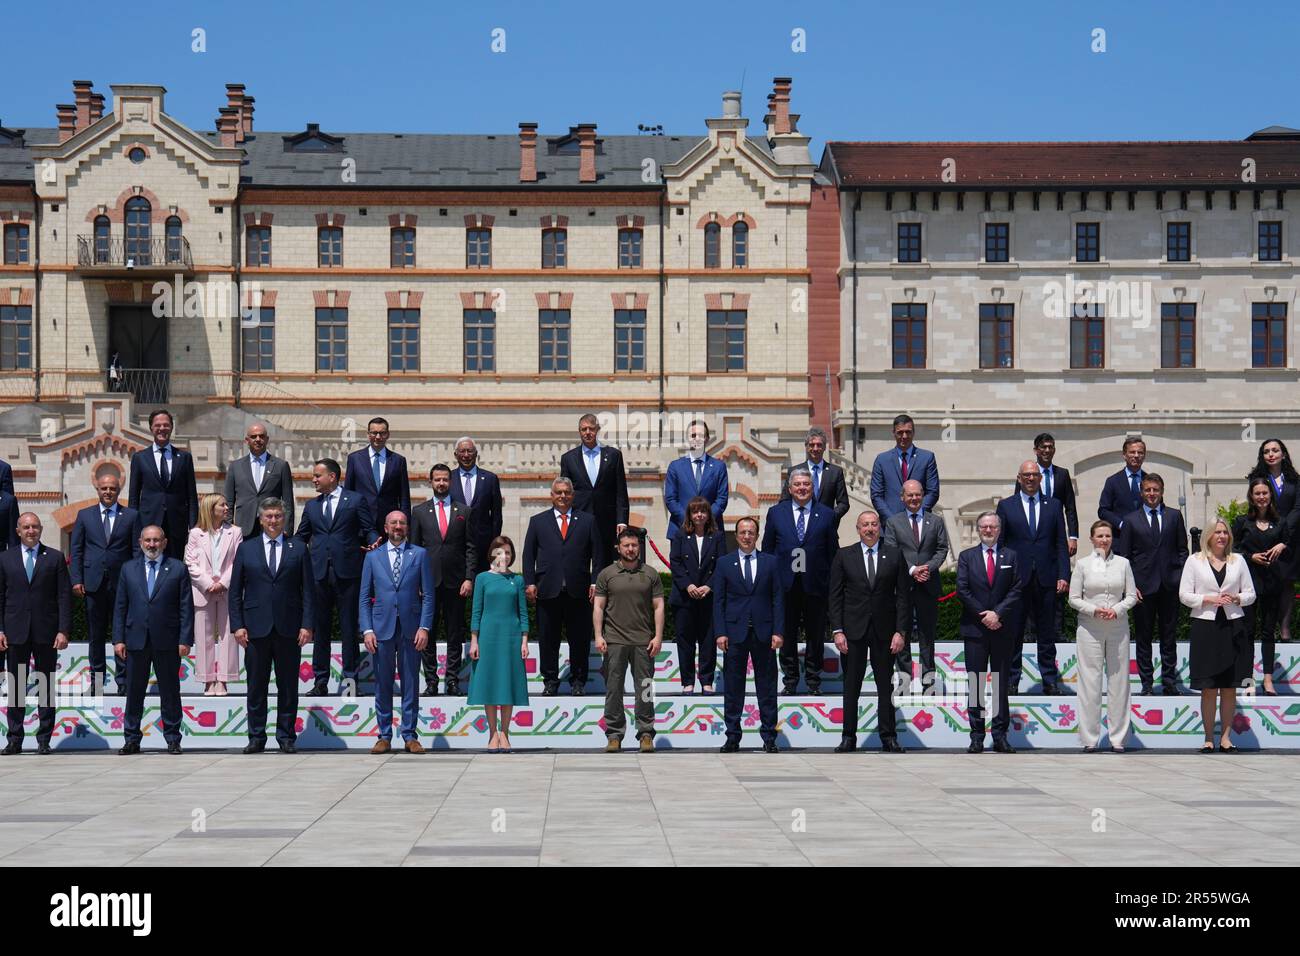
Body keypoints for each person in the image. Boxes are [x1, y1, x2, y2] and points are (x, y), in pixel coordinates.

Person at [229, 498, 314, 754]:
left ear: (285, 518)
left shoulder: (298, 548)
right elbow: (235, 592)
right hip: (255, 629)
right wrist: (237, 625)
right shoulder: (246, 549)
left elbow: (309, 591)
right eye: (269, 516)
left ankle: (286, 736)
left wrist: (307, 625)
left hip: (289, 628)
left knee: (288, 686)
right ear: (260, 519)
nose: (274, 520)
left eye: (278, 515)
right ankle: (256, 737)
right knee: (256, 686)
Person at [829, 510, 911, 753]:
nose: (870, 529)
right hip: (852, 631)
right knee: (851, 687)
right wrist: (837, 630)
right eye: (865, 525)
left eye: (874, 524)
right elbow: (835, 596)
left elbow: (903, 598)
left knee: (885, 686)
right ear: (858, 528)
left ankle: (888, 737)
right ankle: (848, 737)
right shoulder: (845, 555)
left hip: (885, 632)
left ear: (880, 527)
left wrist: (901, 632)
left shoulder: (895, 555)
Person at [295, 458, 377, 697]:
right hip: (319, 573)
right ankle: (320, 681)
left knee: (349, 628)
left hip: (348, 573)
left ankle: (350, 681)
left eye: (317, 476)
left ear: (332, 477)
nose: (313, 480)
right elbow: (302, 536)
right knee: (320, 630)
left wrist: (375, 541)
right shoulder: (311, 506)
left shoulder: (355, 500)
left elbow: (368, 527)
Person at [113, 525, 192, 754]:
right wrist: (118, 638)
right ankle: (131, 739)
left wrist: (185, 639)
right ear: (140, 542)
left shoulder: (177, 569)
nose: (152, 545)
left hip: (167, 641)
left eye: (156, 540)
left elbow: (186, 607)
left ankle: (173, 739)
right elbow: (120, 607)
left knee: (169, 692)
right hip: (135, 641)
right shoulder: (128, 569)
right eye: (148, 540)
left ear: (164, 543)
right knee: (134, 692)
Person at [359, 510, 434, 755]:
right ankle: (383, 735)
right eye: (394, 523)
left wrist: (425, 626)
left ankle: (410, 735)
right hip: (381, 628)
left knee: (411, 682)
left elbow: (429, 595)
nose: (398, 526)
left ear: (407, 527)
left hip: (412, 628)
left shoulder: (420, 554)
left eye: (402, 523)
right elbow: (364, 598)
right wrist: (367, 629)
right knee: (383, 683)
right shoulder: (373, 557)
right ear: (386, 526)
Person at [1180, 518, 1255, 753]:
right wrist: (1207, 599)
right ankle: (1208, 738)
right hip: (1206, 627)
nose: (1222, 536)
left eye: (1225, 532)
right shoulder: (1195, 561)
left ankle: (1226, 737)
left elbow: (1251, 594)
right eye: (1217, 532)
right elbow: (1184, 595)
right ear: (1209, 536)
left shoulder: (1239, 561)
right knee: (1209, 687)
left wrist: (1237, 599)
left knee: (1230, 686)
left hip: (1233, 626)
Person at [0, 514, 71, 755]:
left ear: (41, 530)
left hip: (46, 632)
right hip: (15, 631)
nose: (31, 530)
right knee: (17, 686)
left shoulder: (54, 557)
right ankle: (15, 739)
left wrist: (63, 630)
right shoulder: (5, 558)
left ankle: (44, 740)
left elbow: (63, 596)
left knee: (46, 686)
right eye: (26, 527)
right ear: (18, 531)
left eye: (35, 527)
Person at [762, 467, 838, 694]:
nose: (802, 488)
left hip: (816, 584)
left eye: (806, 484)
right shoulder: (776, 513)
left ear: (812, 488)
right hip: (785, 585)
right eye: (798, 484)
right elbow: (768, 550)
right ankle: (791, 682)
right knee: (787, 634)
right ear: (790, 488)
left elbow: (832, 552)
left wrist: (832, 582)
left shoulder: (826, 514)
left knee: (816, 635)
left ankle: (814, 681)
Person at [997, 461, 1070, 694]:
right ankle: (1011, 681)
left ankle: (1049, 680)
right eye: (1026, 475)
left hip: (1047, 579)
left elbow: (1060, 543)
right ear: (1019, 478)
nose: (1030, 479)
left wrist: (1063, 574)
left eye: (1034, 475)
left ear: (1040, 478)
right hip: (1016, 580)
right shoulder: (1006, 506)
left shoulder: (1054, 505)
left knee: (1046, 633)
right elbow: (1000, 545)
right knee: (1014, 632)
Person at [523, 477, 600, 696]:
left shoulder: (587, 520)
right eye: (558, 492)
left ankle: (578, 681)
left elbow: (598, 554)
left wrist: (595, 582)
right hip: (547, 590)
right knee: (548, 639)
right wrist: (530, 582)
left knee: (580, 639)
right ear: (552, 495)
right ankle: (550, 681)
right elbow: (528, 555)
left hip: (579, 590)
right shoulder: (538, 521)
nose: (563, 496)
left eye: (567, 492)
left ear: (572, 495)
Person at [713, 516, 784, 753]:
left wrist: (778, 631)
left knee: (767, 687)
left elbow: (778, 599)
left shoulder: (771, 562)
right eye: (742, 532)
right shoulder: (724, 563)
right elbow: (719, 601)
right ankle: (732, 736)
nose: (746, 536)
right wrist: (720, 632)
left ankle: (769, 737)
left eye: (751, 532)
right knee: (733, 687)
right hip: (734, 634)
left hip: (764, 633)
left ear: (757, 535)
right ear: (736, 535)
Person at [1115, 474, 1190, 695]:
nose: (1152, 494)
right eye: (1147, 490)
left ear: (1162, 490)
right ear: (1141, 492)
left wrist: (1179, 577)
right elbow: (1125, 557)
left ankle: (1169, 682)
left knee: (1169, 637)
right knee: (1144, 638)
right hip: (1142, 589)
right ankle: (1146, 684)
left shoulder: (1174, 516)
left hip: (1169, 586)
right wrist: (1130, 587)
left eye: (1155, 490)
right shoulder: (1130, 520)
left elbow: (1182, 550)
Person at [1069, 520, 1138, 752]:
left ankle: (1118, 738)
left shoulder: (1123, 563)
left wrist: (1117, 609)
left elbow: (1131, 595)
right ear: (1092, 539)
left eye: (1108, 536)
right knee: (1090, 682)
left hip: (1118, 626)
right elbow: (1073, 598)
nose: (1104, 540)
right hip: (1089, 627)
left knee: (1119, 682)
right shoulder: (1082, 565)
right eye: (1100, 536)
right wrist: (1094, 609)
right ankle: (1090, 739)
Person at [595, 529, 665, 753]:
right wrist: (598, 635)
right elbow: (598, 606)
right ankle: (614, 735)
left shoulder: (651, 574)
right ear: (618, 547)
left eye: (634, 545)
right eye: (626, 545)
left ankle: (646, 733)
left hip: (643, 642)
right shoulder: (607, 574)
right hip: (614, 641)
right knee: (613, 689)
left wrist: (658, 636)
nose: (631, 549)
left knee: (645, 688)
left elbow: (659, 607)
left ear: (639, 547)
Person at [410, 464, 478, 696]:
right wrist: (416, 581)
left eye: (445, 479)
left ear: (451, 482)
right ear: (431, 482)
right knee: (426, 632)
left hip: (456, 583)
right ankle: (430, 681)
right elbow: (414, 549)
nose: (441, 483)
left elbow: (471, 548)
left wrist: (469, 578)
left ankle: (452, 680)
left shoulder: (464, 511)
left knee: (454, 633)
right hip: (426, 584)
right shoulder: (419, 512)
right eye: (437, 479)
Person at [956, 513, 1022, 753]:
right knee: (976, 684)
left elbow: (1017, 588)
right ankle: (976, 736)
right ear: (978, 529)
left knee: (1001, 685)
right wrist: (984, 615)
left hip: (1002, 629)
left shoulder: (1011, 556)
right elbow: (962, 589)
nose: (988, 530)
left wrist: (998, 614)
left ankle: (1000, 735)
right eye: (984, 526)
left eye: (992, 526)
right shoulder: (967, 557)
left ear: (999, 529)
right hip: (975, 629)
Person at [69, 471, 140, 694]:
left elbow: (137, 551)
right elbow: (77, 550)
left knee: (122, 635)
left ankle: (123, 682)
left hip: (122, 585)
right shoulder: (84, 515)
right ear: (97, 490)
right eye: (104, 488)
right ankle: (97, 683)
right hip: (93, 584)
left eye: (112, 488)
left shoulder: (131, 516)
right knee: (96, 636)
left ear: (118, 491)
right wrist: (77, 578)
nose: (108, 492)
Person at [883, 479, 950, 691]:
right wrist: (912, 570)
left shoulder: (936, 521)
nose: (914, 498)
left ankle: (928, 681)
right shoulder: (893, 522)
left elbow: (942, 549)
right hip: (902, 585)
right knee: (901, 633)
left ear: (923, 496)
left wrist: (927, 569)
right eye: (909, 495)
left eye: (917, 494)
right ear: (902, 498)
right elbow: (892, 550)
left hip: (928, 584)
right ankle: (903, 681)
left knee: (927, 635)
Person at [468, 536, 530, 752]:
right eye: (500, 552)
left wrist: (524, 640)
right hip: (487, 636)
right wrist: (474, 640)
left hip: (511, 637)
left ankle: (505, 732)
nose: (504, 556)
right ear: (492, 554)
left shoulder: (518, 580)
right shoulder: (482, 578)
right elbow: (476, 611)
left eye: (508, 553)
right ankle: (492, 733)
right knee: (490, 683)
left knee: (507, 682)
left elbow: (523, 612)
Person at [1233, 477, 1289, 696]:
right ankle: (1248, 680)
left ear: (1270, 495)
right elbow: (1233, 550)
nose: (1261, 497)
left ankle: (1267, 681)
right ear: (1251, 496)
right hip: (1248, 584)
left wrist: (1283, 545)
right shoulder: (1241, 522)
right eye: (1257, 493)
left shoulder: (1281, 522)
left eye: (1265, 493)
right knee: (1247, 632)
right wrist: (1250, 556)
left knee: (1268, 632)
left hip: (1272, 583)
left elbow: (1291, 546)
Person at [669, 496, 727, 694]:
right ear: (690, 515)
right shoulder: (679, 535)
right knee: (685, 641)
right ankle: (687, 682)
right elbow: (675, 563)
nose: (699, 515)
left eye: (703, 511)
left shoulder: (717, 537)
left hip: (709, 598)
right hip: (684, 598)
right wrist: (688, 585)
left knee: (708, 642)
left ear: (708, 515)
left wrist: (709, 586)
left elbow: (722, 564)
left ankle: (707, 681)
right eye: (695, 511)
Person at [184, 494, 241, 696]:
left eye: (226, 504)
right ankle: (207, 680)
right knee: (204, 637)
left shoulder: (235, 532)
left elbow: (238, 561)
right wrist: (208, 583)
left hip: (227, 590)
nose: (227, 508)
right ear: (210, 508)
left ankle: (224, 680)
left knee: (228, 636)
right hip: (203, 591)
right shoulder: (195, 534)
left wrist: (223, 583)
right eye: (222, 505)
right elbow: (190, 562)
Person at [1246, 438, 1299, 653]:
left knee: (1286, 582)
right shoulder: (1257, 479)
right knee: (1263, 583)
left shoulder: (1295, 480)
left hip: (1289, 540)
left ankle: (1285, 629)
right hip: (1263, 538)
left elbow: (1298, 508)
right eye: (1267, 451)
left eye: (1275, 450)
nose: (1271, 454)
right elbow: (1254, 503)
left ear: (1283, 454)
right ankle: (1263, 629)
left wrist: (1283, 531)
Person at [559, 413, 629, 572]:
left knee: (605, 566)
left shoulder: (613, 455)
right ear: (579, 431)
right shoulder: (568, 459)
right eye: (584, 429)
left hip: (606, 521)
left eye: (591, 428)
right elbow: (563, 493)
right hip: (578, 520)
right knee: (578, 564)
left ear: (598, 429)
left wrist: (622, 520)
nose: (587, 432)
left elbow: (620, 491)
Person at [128, 409, 198, 560]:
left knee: (174, 567)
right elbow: (133, 496)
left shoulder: (184, 458)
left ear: (172, 427)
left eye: (166, 425)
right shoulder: (140, 458)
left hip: (176, 525)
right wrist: (133, 527)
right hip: (148, 524)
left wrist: (193, 528)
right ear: (151, 428)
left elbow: (192, 496)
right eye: (158, 425)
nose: (162, 429)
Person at [224, 422, 296, 539]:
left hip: (272, 527)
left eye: (261, 436)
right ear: (247, 440)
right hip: (243, 529)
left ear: (267, 440)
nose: (258, 439)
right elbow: (229, 501)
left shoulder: (281, 465)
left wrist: (287, 529)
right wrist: (228, 529)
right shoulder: (235, 467)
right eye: (253, 437)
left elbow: (288, 503)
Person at [344, 417, 412, 531]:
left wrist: (405, 523)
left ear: (388, 434)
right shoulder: (354, 459)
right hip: (361, 523)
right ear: (368, 434)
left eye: (382, 433)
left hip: (390, 526)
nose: (378, 437)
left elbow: (404, 496)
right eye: (374, 433)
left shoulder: (398, 460)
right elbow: (348, 493)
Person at [449, 436, 504, 576]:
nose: (466, 455)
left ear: (476, 453)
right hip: (456, 547)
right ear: (456, 454)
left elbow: (496, 516)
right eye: (462, 451)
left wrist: (494, 545)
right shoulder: (448, 479)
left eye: (470, 451)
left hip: (484, 547)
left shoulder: (490, 479)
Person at [664, 419, 728, 538]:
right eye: (693, 435)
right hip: (681, 529)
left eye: (701, 435)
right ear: (688, 439)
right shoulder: (675, 467)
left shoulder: (719, 467)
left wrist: (705, 520)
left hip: (711, 531)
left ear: (707, 439)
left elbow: (722, 499)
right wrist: (688, 520)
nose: (697, 439)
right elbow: (670, 499)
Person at [1017, 433, 1079, 556]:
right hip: (1033, 529)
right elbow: (1017, 504)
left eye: (1050, 447)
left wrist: (1073, 537)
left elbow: (1070, 507)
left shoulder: (1062, 474)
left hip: (1057, 529)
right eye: (1043, 447)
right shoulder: (1026, 474)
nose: (1047, 450)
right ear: (1036, 450)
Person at [870, 414, 939, 520]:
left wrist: (916, 514)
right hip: (890, 525)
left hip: (919, 523)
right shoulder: (882, 460)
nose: (904, 436)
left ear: (914, 433)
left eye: (908, 432)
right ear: (893, 433)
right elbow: (876, 495)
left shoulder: (927, 458)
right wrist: (894, 521)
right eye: (900, 432)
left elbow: (933, 492)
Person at [781, 427, 850, 529]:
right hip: (800, 527)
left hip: (827, 529)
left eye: (819, 445)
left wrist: (830, 516)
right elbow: (784, 501)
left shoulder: (835, 472)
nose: (815, 448)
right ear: (806, 447)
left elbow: (843, 503)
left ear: (825, 447)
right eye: (811, 445)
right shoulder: (794, 471)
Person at [1097, 436, 1146, 530]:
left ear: (1144, 456)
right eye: (1132, 452)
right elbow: (1103, 510)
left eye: (1140, 452)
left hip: (1145, 538)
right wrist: (1120, 524)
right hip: (1120, 538)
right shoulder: (1113, 481)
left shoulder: (1151, 481)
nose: (1136, 455)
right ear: (1124, 455)